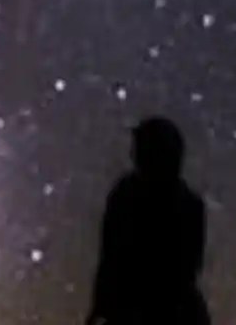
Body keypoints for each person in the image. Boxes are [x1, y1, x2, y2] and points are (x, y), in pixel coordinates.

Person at [88, 117, 211, 325]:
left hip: (140, 306)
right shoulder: (190, 204)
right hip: (168, 308)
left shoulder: (126, 194)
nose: (133, 154)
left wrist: (101, 305)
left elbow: (110, 256)